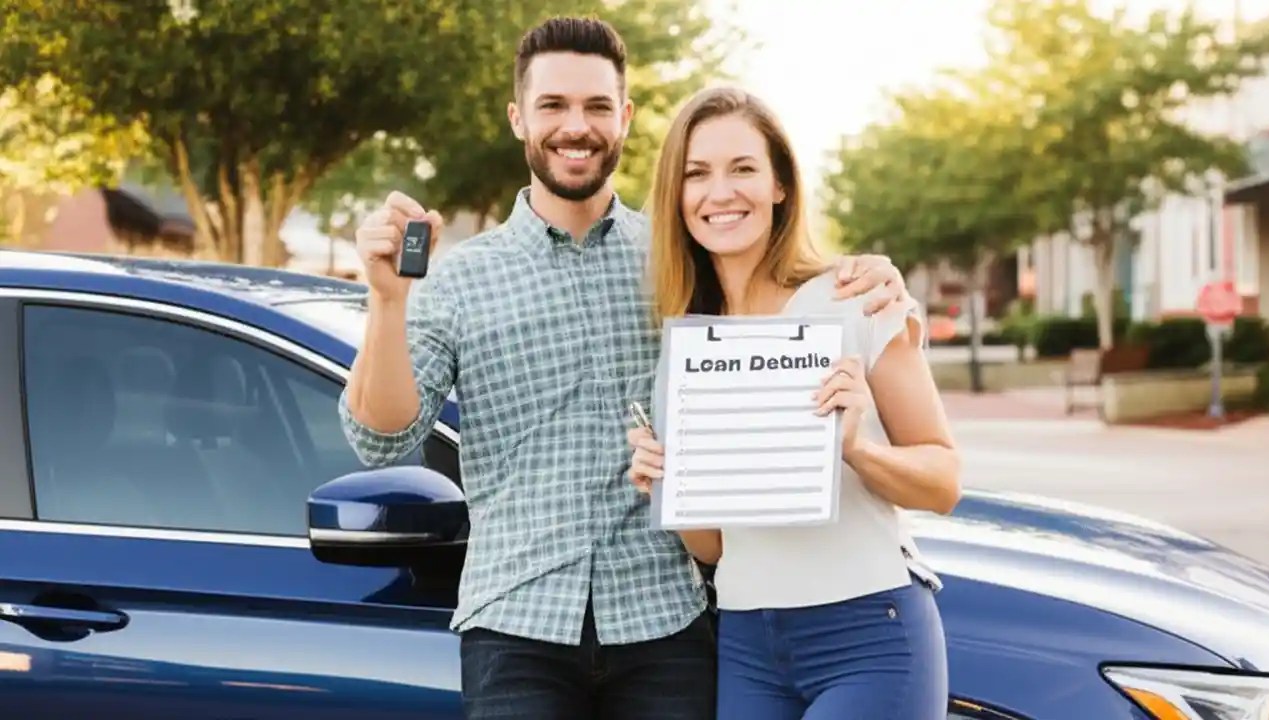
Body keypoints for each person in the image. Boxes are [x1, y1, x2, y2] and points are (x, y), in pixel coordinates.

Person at [341, 16, 914, 720]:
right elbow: (381, 439)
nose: (575, 126)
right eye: (553, 105)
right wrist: (387, 301)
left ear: (626, 118)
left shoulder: (683, 260)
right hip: (516, 628)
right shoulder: (460, 279)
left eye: (597, 106)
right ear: (519, 118)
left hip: (665, 623)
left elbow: (776, 289)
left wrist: (865, 273)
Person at [626, 86, 961, 720]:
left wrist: (856, 449)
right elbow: (716, 548)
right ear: (676, 194)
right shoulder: (688, 344)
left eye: (743, 168)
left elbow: (943, 481)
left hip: (869, 635)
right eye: (697, 174)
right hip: (747, 643)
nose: (720, 193)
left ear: (780, 184)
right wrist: (667, 485)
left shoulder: (854, 298)